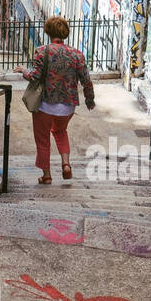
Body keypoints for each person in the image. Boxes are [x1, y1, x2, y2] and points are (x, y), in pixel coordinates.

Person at [16, 16, 95, 184]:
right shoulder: (76, 54)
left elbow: (35, 76)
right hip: (67, 107)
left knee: (43, 139)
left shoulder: (42, 51)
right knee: (60, 132)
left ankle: (46, 175)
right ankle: (66, 164)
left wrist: (23, 70)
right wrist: (90, 100)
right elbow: (86, 80)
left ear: (48, 32)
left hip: (45, 104)